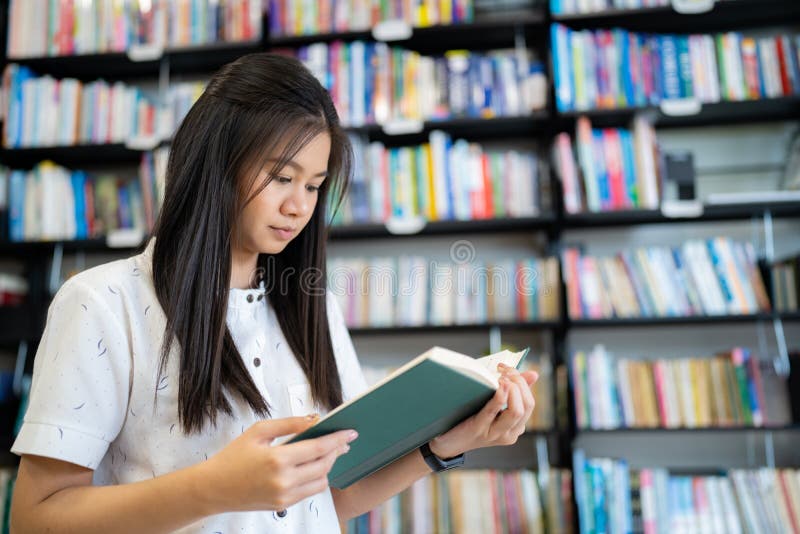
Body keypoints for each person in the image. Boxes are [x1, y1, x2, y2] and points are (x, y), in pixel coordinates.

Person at [9, 53, 537, 533]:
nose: (299, 207)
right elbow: (36, 518)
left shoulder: (314, 308)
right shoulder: (101, 303)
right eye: (282, 177)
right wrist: (213, 488)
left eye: (313, 186)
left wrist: (444, 446)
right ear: (216, 164)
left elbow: (331, 494)